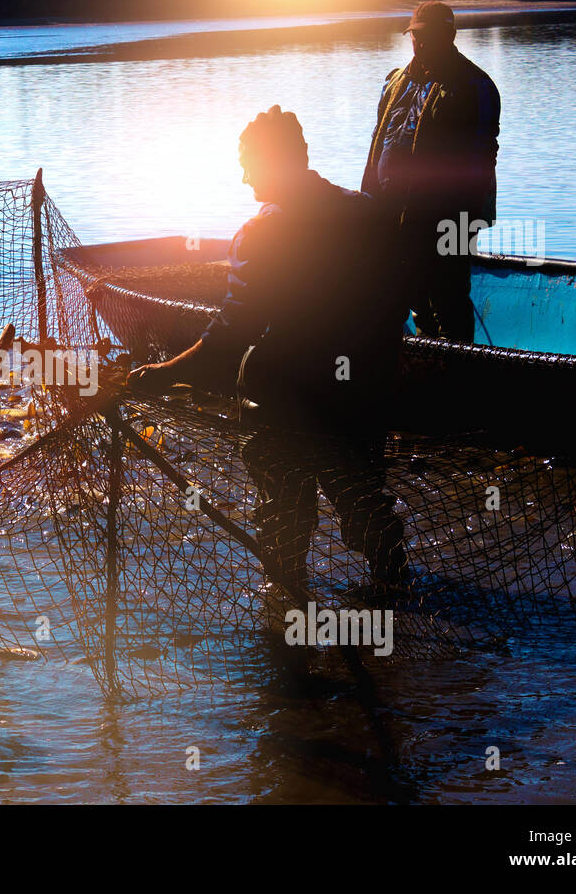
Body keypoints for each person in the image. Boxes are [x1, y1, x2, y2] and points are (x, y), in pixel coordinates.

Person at [129, 105, 411, 602]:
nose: (243, 177)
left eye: (249, 164)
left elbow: (231, 337)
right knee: (361, 498)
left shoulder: (262, 234)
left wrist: (159, 374)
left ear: (278, 162)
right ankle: (395, 590)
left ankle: (286, 607)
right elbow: (399, 302)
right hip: (363, 390)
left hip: (291, 395)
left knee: (283, 509)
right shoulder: (368, 213)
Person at [361, 0, 500, 343]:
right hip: (394, 213)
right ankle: (428, 363)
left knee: (448, 296)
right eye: (415, 36)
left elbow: (484, 158)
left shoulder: (475, 86)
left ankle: (458, 371)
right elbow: (377, 143)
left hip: (448, 215)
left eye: (429, 36)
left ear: (450, 35)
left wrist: (465, 219)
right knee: (414, 294)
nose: (420, 43)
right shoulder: (394, 82)